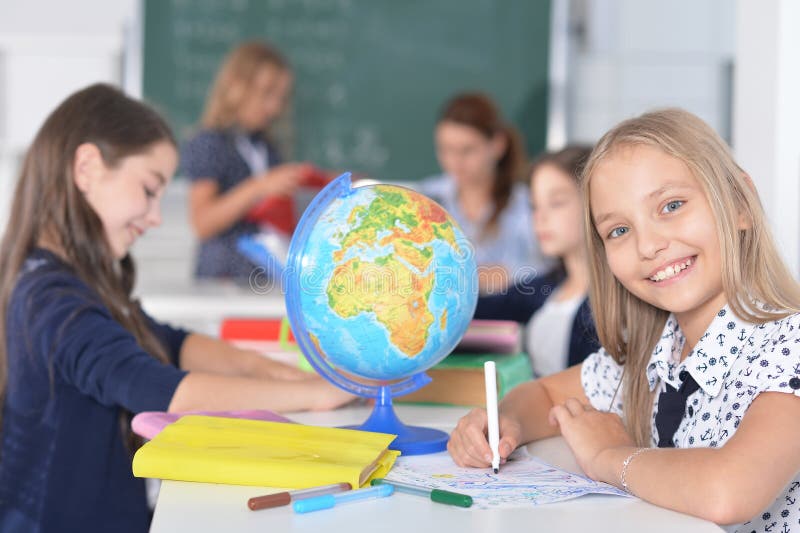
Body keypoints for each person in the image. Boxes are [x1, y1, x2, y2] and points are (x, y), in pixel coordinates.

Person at [0, 84, 353, 533]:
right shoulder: (48, 297)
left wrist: (263, 368)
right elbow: (158, 389)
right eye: (149, 190)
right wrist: (316, 395)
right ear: (87, 168)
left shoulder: (72, 279)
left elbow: (170, 341)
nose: (155, 217)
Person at [447, 108, 800, 531]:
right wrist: (504, 421)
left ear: (740, 203)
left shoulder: (788, 345)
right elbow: (544, 394)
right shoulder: (651, 355)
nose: (648, 245)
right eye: (618, 230)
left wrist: (608, 457)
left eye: (671, 205)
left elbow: (729, 492)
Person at [181, 41, 309, 279]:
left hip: (264, 276)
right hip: (223, 279)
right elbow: (203, 222)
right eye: (267, 93)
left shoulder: (265, 147)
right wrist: (259, 187)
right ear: (236, 85)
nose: (274, 107)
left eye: (281, 98)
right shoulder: (210, 143)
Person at [474, 146, 599, 377]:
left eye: (557, 202)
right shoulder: (543, 287)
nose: (540, 218)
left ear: (595, 202)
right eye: (534, 206)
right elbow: (474, 310)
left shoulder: (618, 302)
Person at [417, 93, 550, 292]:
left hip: (507, 316)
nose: (454, 162)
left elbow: (550, 271)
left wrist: (506, 274)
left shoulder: (527, 205)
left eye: (467, 150)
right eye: (445, 150)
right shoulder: (425, 199)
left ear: (497, 145)